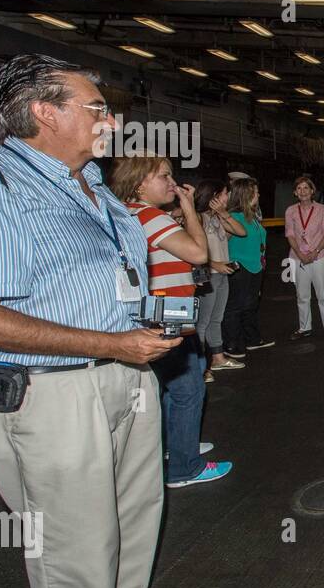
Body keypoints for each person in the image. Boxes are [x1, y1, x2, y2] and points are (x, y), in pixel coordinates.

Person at [0, 53, 182, 588]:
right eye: (95, 108)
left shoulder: (98, 189)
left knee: (135, 507)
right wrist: (111, 342)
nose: (111, 119)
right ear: (43, 111)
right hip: (50, 391)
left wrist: (146, 330)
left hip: (127, 374)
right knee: (74, 531)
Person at [110, 156, 233, 490]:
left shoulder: (126, 212)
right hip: (171, 316)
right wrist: (190, 207)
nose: (172, 183)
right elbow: (197, 253)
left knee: (168, 387)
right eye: (163, 176)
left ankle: (176, 446)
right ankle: (184, 466)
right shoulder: (150, 215)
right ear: (139, 183)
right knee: (188, 388)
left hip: (155, 312)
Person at [193, 179, 247, 381]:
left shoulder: (218, 218)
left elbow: (242, 231)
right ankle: (198, 367)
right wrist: (213, 264)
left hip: (223, 275)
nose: (229, 197)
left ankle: (217, 358)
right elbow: (190, 247)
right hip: (208, 276)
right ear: (214, 196)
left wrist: (223, 214)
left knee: (217, 318)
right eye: (226, 193)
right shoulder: (198, 218)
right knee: (202, 322)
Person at [222, 175, 274, 358]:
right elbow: (220, 242)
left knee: (251, 305)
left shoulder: (251, 217)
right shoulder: (232, 217)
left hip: (256, 267)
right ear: (247, 194)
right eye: (256, 192)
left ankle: (252, 339)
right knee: (235, 306)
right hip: (240, 267)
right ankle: (231, 344)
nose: (258, 195)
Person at [285, 175, 324, 342]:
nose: (303, 191)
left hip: (319, 256)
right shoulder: (291, 211)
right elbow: (290, 234)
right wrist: (300, 254)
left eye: (306, 188)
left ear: (312, 190)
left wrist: (315, 251)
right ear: (295, 192)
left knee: (323, 294)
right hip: (298, 257)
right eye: (299, 188)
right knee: (302, 295)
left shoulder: (323, 210)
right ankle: (304, 327)